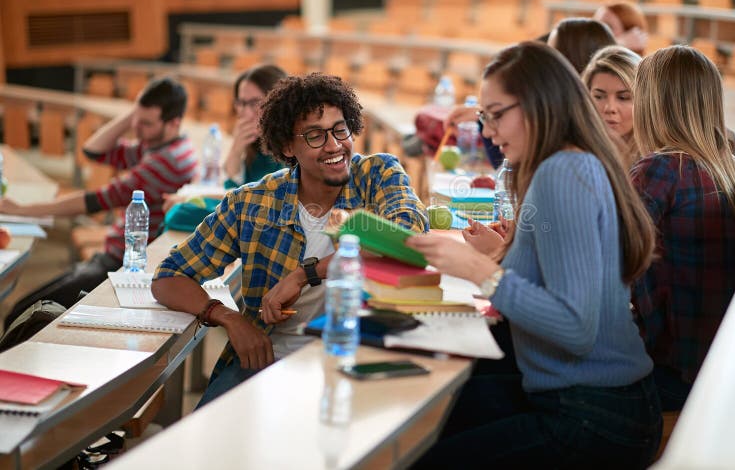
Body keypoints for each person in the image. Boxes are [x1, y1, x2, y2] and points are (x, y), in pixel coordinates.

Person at [407, 41, 661, 468]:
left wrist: (480, 270)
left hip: (596, 413)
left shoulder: (564, 172)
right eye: (484, 117)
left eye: (496, 115)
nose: (487, 132)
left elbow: (575, 327)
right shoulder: (563, 165)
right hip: (585, 397)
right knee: (439, 408)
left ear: (540, 104)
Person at [151, 73, 428, 406]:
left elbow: (410, 236)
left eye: (340, 129)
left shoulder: (378, 174)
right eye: (315, 135)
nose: (334, 145)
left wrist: (305, 274)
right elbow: (168, 277)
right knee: (205, 444)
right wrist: (229, 318)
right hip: (266, 358)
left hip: (354, 356)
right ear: (286, 146)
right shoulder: (251, 203)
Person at [0, 77, 196, 317]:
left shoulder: (165, 162)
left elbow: (93, 201)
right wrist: (134, 114)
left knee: (21, 314)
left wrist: (21, 210)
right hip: (113, 257)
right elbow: (93, 150)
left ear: (173, 123)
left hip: (123, 267)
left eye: (146, 123)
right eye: (136, 120)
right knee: (23, 309)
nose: (137, 128)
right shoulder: (159, 145)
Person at [630, 45, 735, 411]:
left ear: (652, 104)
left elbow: (606, 259)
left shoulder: (662, 169)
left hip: (670, 372)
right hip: (710, 367)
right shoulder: (730, 165)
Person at [446, 19, 616, 168]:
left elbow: (505, 165)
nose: (546, 61)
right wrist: (487, 116)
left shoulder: (567, 164)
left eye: (552, 52)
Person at [222, 64, 286, 188]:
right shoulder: (255, 145)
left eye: (255, 103)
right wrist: (235, 151)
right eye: (241, 103)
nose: (246, 113)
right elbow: (232, 190)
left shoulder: (291, 151)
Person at [582, 45, 642, 167]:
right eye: (598, 96)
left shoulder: (657, 163)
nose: (610, 108)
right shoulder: (573, 155)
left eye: (623, 98)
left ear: (644, 102)